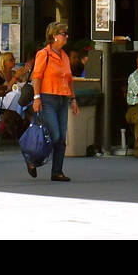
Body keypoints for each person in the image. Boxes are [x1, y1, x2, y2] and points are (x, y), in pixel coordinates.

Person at [30, 22, 79, 181]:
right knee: (55, 135)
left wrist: (73, 99)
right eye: (63, 33)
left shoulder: (64, 55)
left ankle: (57, 171)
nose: (66, 36)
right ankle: (34, 160)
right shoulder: (44, 54)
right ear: (54, 36)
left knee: (61, 138)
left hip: (62, 99)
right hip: (48, 98)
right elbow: (37, 77)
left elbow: (69, 79)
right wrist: (37, 98)